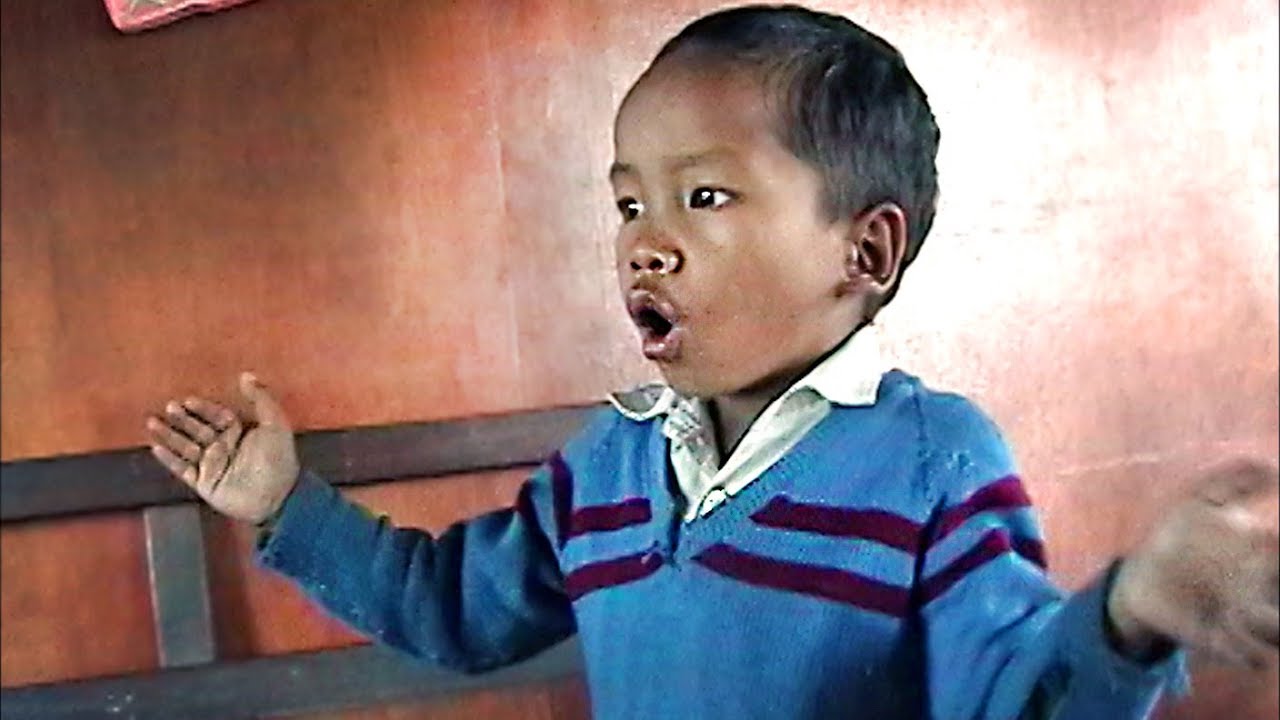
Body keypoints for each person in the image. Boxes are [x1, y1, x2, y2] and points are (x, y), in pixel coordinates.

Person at [144, 5, 1278, 718]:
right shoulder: (610, 459)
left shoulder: (929, 460)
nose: (644, 237)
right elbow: (453, 609)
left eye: (701, 194)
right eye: (628, 201)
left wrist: (1133, 610)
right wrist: (285, 502)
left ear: (862, 249)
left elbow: (1008, 698)